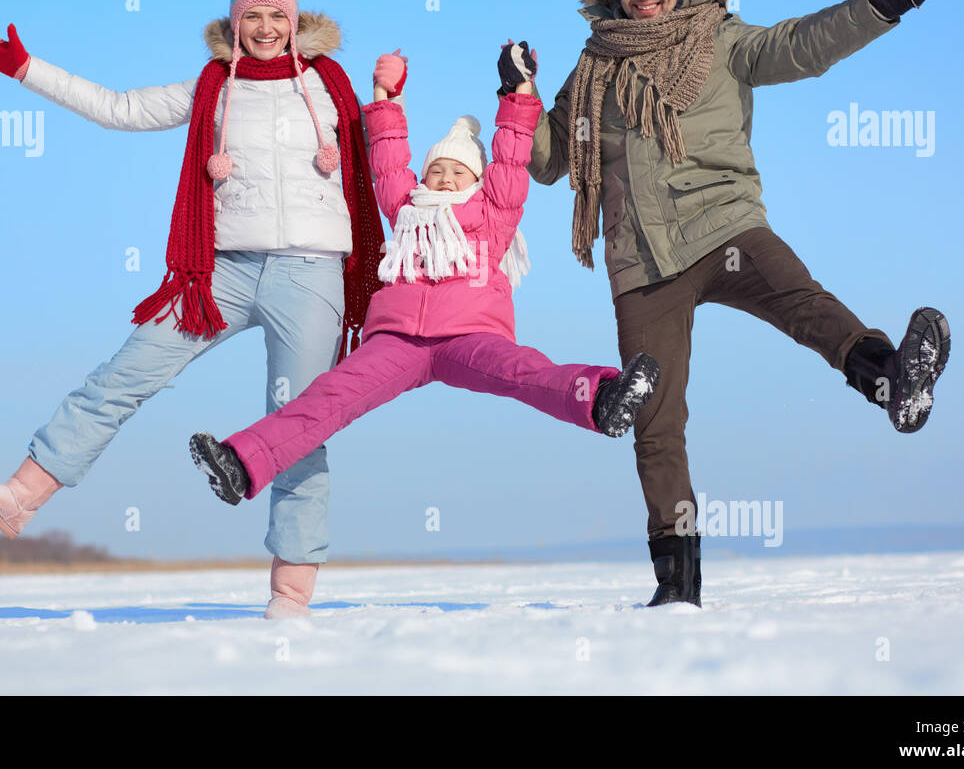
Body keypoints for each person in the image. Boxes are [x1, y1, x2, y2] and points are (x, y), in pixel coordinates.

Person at [515, 0, 951, 607]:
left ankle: (893, 383)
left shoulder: (718, 37)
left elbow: (798, 48)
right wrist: (518, 96)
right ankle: (676, 586)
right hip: (641, 261)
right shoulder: (595, 66)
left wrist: (878, 5)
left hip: (723, 224)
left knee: (801, 300)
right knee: (656, 422)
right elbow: (547, 163)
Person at [0, 0, 385, 619]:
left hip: (312, 271)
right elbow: (119, 108)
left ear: (295, 24)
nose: (265, 29)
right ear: (233, 25)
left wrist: (395, 101)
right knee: (127, 371)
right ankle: (20, 495)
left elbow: (381, 153)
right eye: (252, 17)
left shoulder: (330, 88)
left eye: (277, 17)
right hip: (219, 273)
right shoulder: (212, 87)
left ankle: (291, 595)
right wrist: (25, 68)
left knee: (299, 424)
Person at [188, 48, 660, 508]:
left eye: (459, 171)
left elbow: (511, 159)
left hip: (469, 337)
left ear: (476, 179)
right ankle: (241, 464)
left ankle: (602, 398)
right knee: (330, 395)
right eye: (437, 170)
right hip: (396, 342)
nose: (447, 178)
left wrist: (518, 93)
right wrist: (386, 98)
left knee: (525, 372)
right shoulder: (409, 211)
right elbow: (389, 163)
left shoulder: (492, 211)